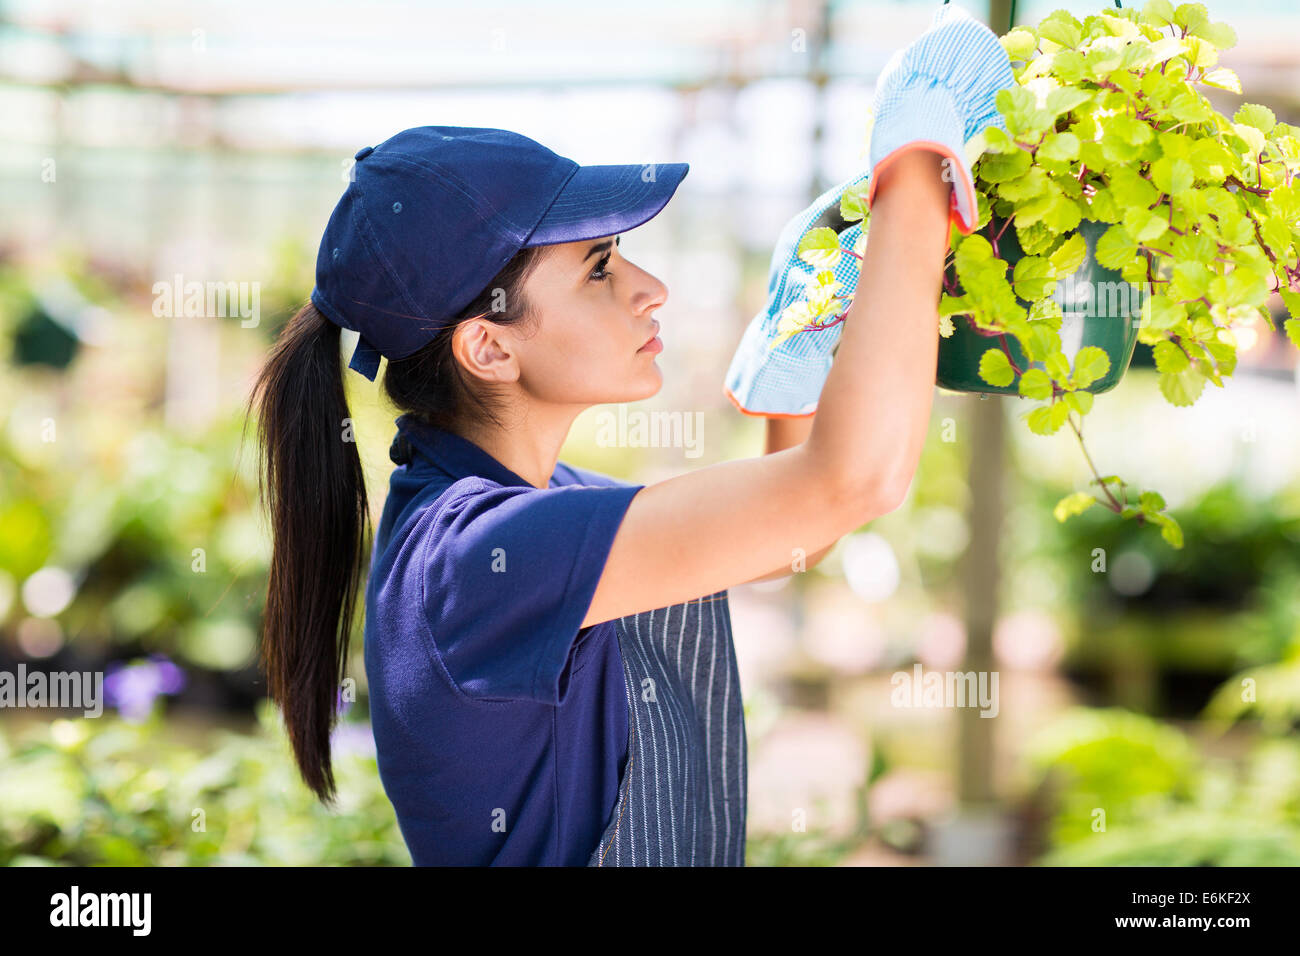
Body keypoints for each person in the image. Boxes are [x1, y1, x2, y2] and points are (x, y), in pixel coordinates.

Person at [245, 3, 1014, 865]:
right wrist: (912, 172)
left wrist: (796, 358)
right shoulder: (477, 560)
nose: (651, 288)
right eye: (600, 267)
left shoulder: (543, 506)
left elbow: (782, 537)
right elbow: (855, 480)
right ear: (489, 345)